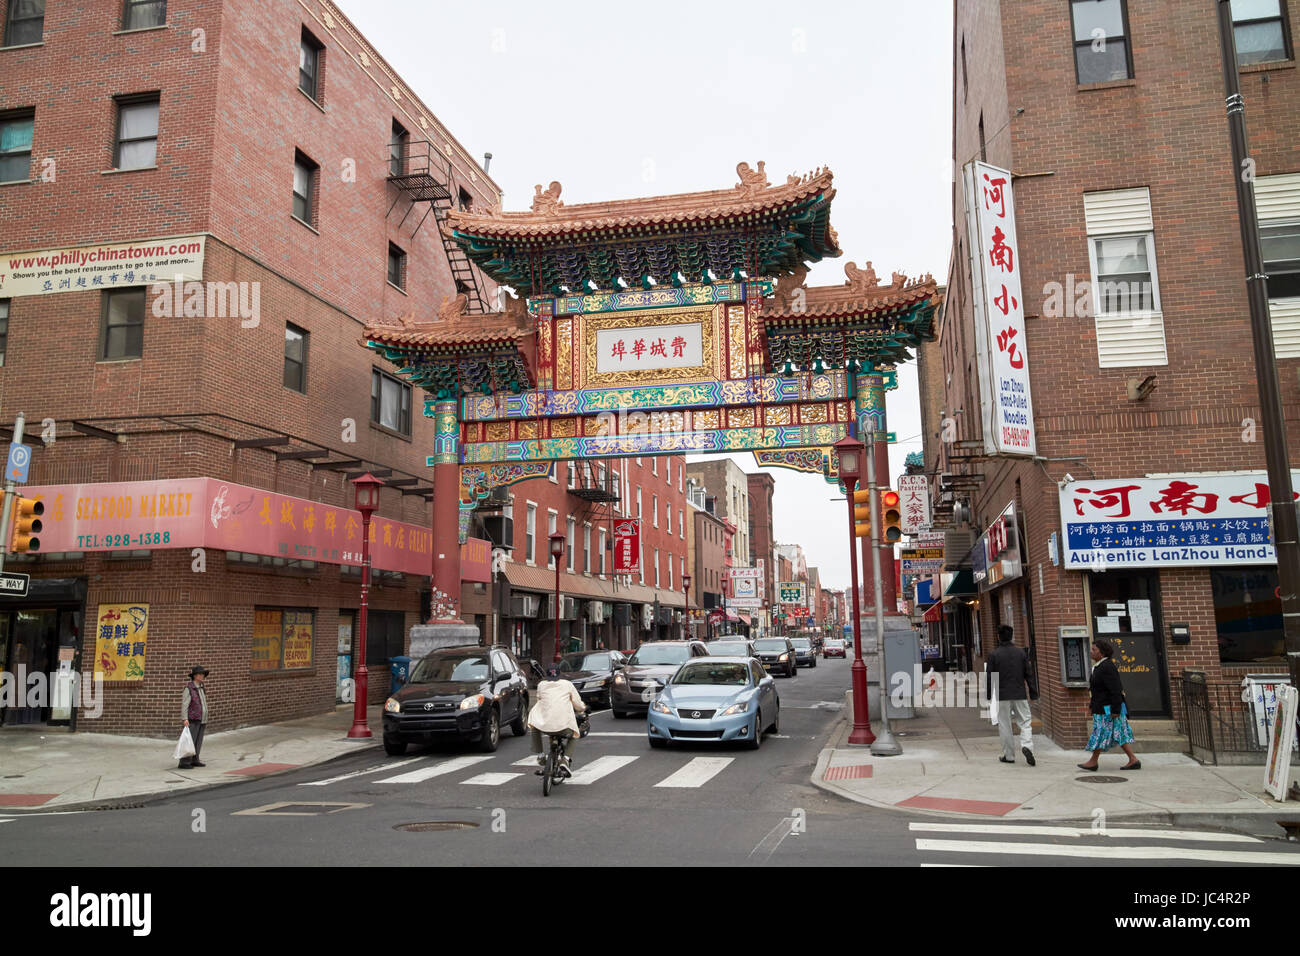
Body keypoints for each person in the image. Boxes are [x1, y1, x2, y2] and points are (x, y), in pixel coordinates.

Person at [1078, 639, 1140, 771]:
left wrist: (1116, 709)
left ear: (1102, 653)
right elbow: (1097, 690)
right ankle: (1133, 759)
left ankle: (1093, 762)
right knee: (1119, 734)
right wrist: (1091, 707)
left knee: (1099, 733)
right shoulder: (1099, 666)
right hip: (1102, 707)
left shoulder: (1107, 667)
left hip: (1108, 708)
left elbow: (1115, 689)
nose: (1091, 651)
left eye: (1094, 650)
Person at [986, 624, 1037, 766]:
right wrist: (1033, 692)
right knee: (1025, 721)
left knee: (1004, 725)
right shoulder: (1021, 653)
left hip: (1002, 695)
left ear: (998, 637)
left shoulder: (994, 655)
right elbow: (1029, 674)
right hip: (1019, 693)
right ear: (1012, 636)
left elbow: (990, 677)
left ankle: (1008, 756)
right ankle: (1027, 745)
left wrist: (989, 695)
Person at [527, 664, 586, 776]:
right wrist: (583, 708)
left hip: (544, 726)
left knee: (533, 726)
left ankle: (540, 755)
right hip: (563, 727)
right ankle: (565, 759)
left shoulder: (541, 685)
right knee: (575, 735)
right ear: (559, 674)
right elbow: (578, 704)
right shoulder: (567, 684)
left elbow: (540, 699)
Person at [179, 665, 209, 769]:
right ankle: (184, 762)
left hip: (202, 718)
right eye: (200, 674)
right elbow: (185, 704)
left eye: (203, 674)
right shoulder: (189, 688)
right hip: (193, 719)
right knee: (189, 741)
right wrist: (185, 718)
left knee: (198, 741)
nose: (202, 676)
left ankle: (195, 759)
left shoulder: (201, 687)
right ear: (195, 676)